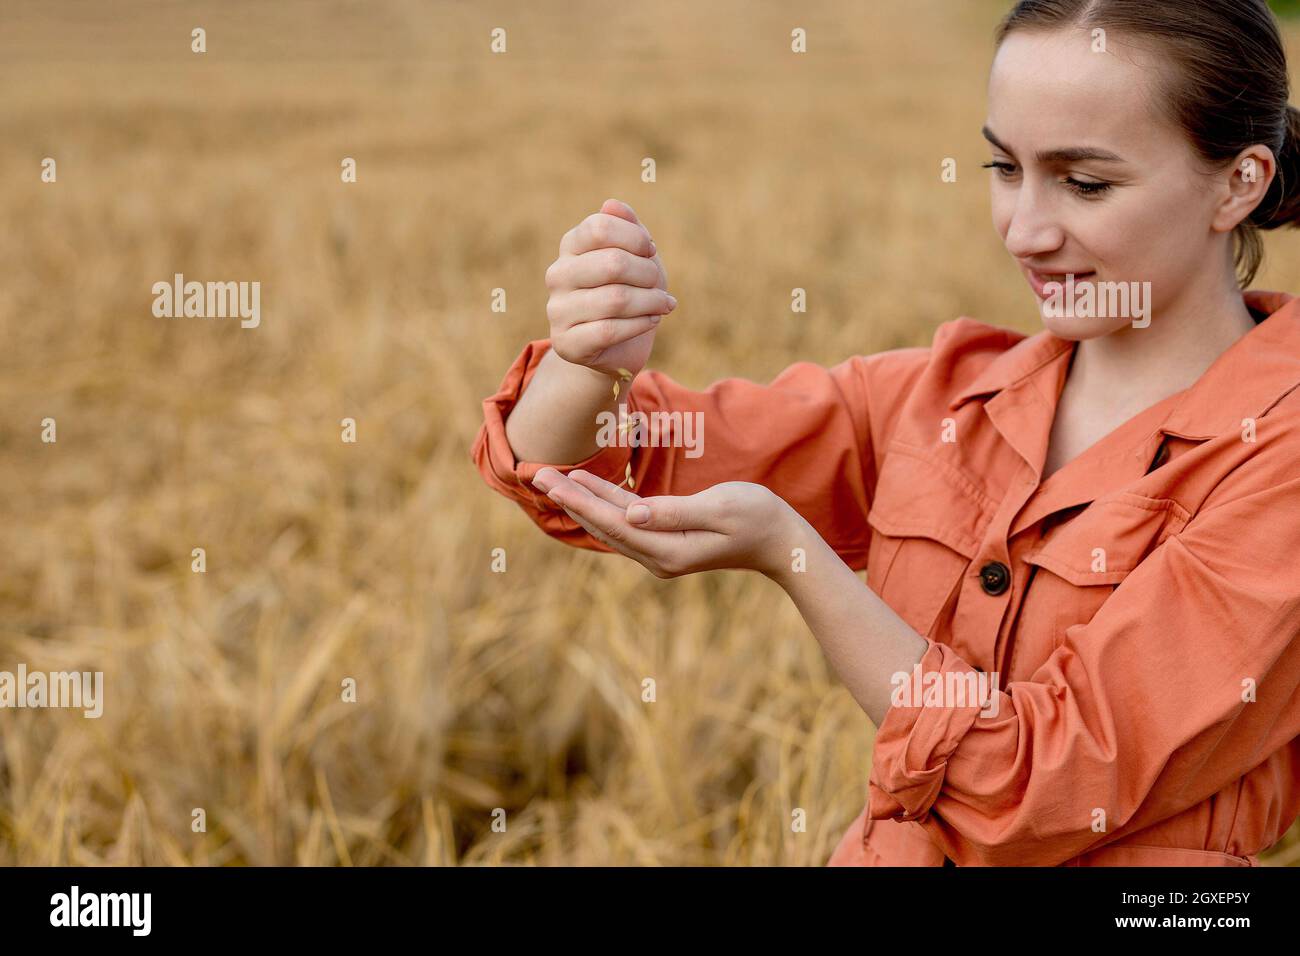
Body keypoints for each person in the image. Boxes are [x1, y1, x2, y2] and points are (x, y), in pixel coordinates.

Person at [470, 0, 1300, 866]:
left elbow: (1042, 783)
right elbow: (597, 470)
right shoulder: (939, 396)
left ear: (1239, 181)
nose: (1024, 230)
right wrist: (590, 358)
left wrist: (793, 557)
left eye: (1084, 183)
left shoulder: (1280, 460)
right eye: (1003, 166)